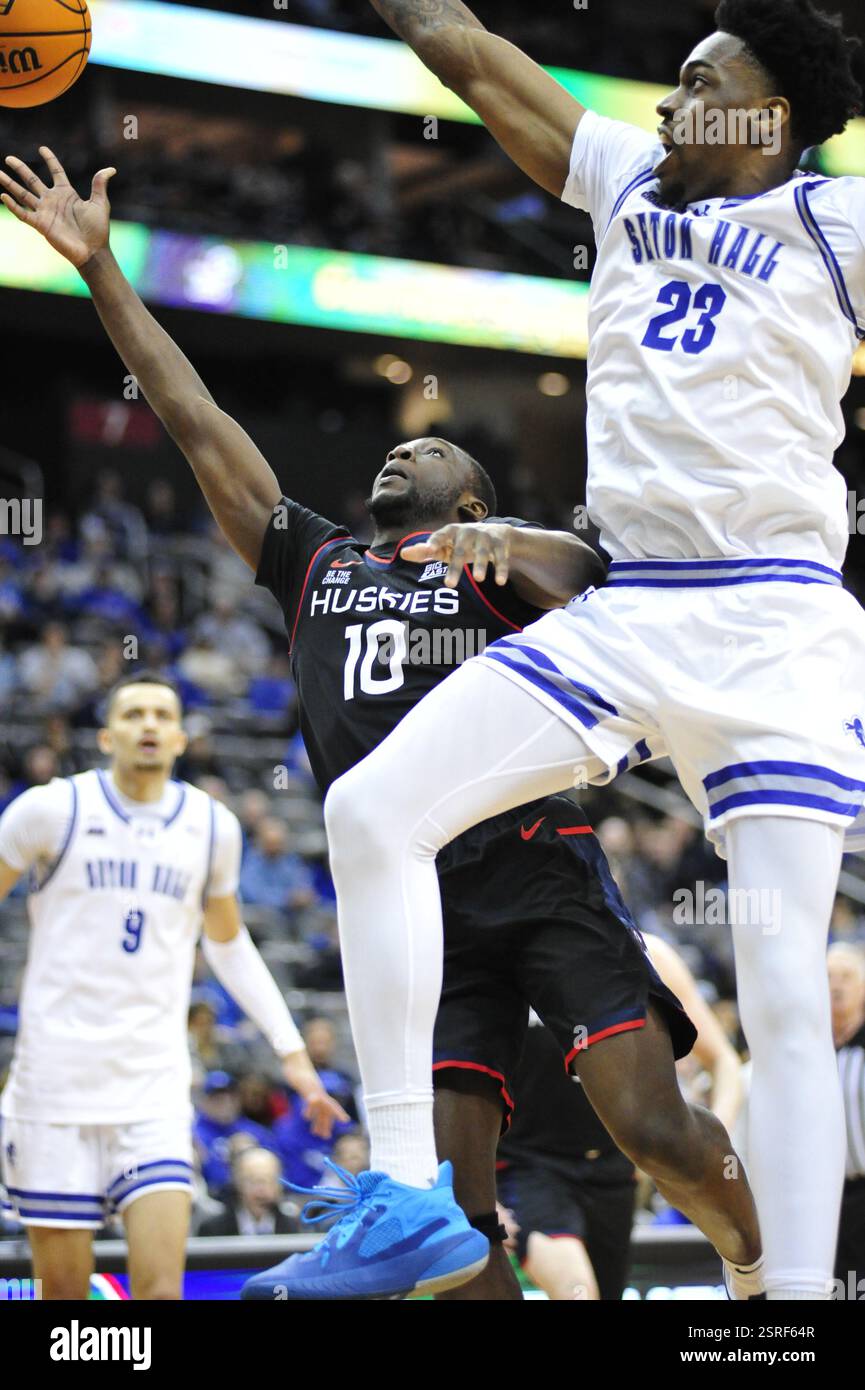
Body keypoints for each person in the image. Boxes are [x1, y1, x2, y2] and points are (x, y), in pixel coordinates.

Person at [0, 147, 761, 1305]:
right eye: (397, 446)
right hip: (418, 910)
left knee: (653, 1127)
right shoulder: (316, 556)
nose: (401, 447)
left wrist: (505, 544)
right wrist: (102, 268)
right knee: (446, 1227)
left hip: (532, 865)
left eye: (432, 449)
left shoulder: (490, 561)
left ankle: (763, 1282)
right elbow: (190, 410)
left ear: (471, 498)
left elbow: (599, 578)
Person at [238, 0, 865, 1300]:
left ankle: (791, 1308)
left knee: (788, 990)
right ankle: (407, 1195)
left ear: (771, 120)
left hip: (776, 625)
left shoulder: (834, 225)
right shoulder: (629, 180)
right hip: (628, 608)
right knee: (369, 812)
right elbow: (463, 50)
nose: (667, 105)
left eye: (700, 86)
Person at [0, 672, 348, 1300]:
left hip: (152, 1086)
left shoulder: (211, 826)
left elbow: (228, 944)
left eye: (163, 714)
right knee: (63, 1295)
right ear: (107, 735)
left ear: (183, 738)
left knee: (161, 1291)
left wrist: (294, 1059)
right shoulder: (49, 809)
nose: (150, 724)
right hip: (54, 1083)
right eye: (133, 714)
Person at [500, 934, 746, 1301]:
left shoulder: (648, 953)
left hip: (616, 1170)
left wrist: (708, 1151)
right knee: (576, 1291)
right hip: (529, 1166)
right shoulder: (508, 950)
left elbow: (725, 1063)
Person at [828, 943, 865, 1295]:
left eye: (846, 976)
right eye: (828, 977)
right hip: (826, 1196)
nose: (836, 984)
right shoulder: (812, 1049)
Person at [198, 1147, 300, 1237]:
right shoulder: (213, 1230)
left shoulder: (292, 1227)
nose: (261, 1190)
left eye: (269, 1181)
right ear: (237, 1182)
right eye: (253, 1181)